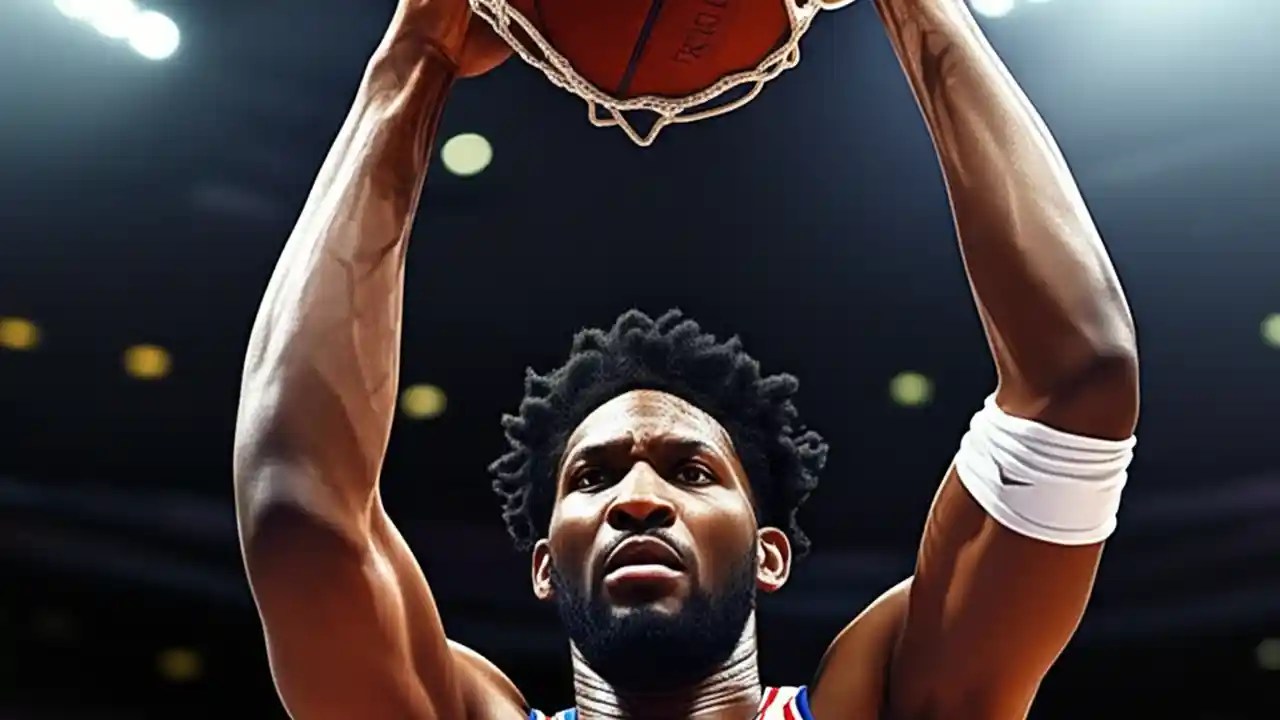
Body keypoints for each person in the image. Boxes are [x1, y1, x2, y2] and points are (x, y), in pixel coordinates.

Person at [232, 0, 1140, 717]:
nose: (635, 496)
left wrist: (920, 9)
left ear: (769, 553)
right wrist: (412, 58)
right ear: (546, 562)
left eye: (691, 469)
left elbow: (1080, 385)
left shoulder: (892, 702)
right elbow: (298, 514)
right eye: (590, 477)